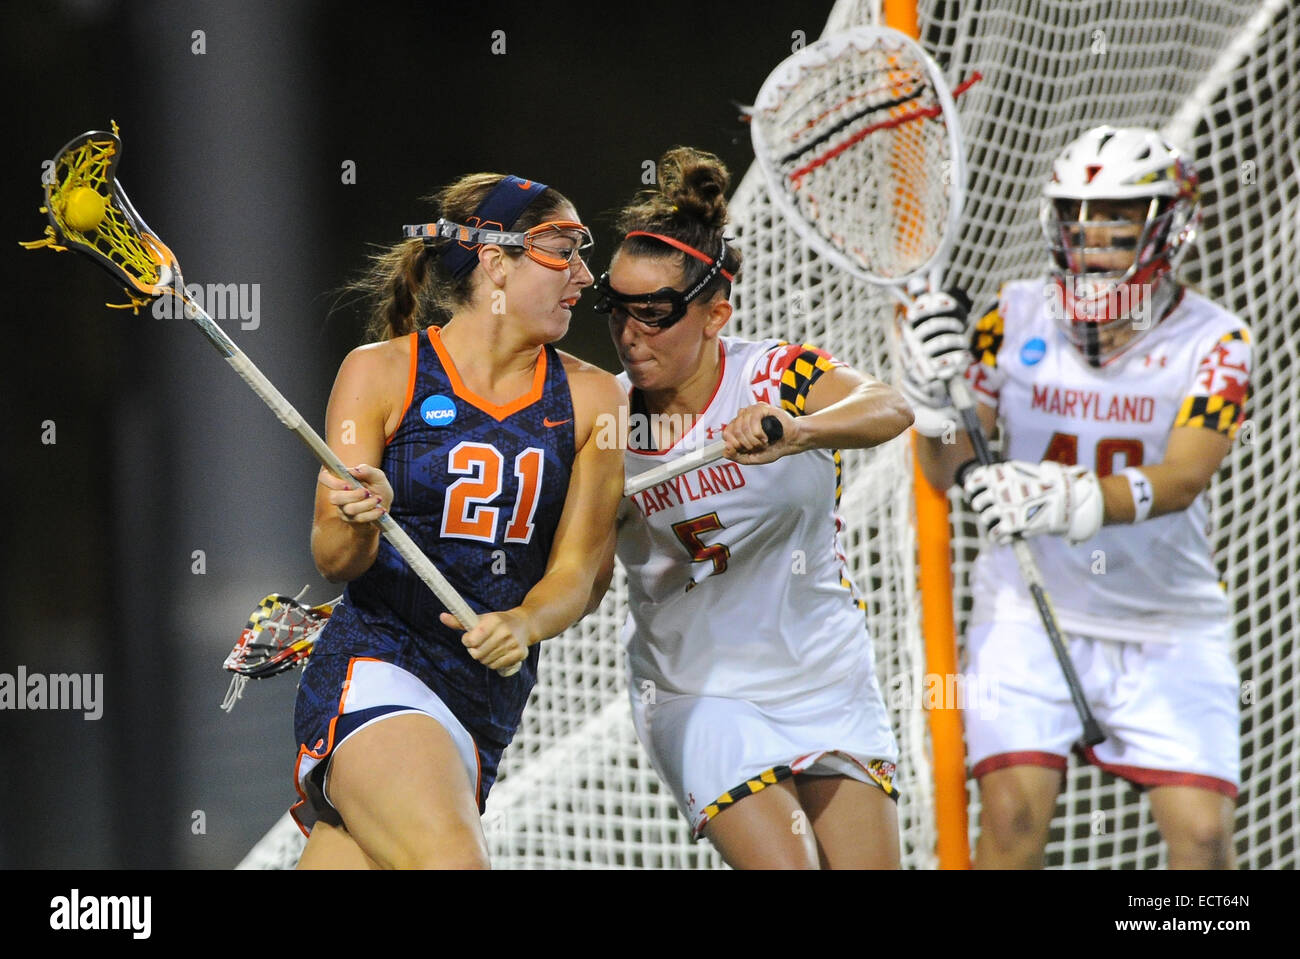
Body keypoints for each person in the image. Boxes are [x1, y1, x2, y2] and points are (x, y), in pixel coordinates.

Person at [905, 126, 1250, 869]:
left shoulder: (1218, 340)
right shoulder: (1012, 316)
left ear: (1166, 225)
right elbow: (946, 468)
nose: (1091, 237)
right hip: (1030, 612)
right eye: (1077, 215)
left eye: (1116, 218)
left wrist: (1070, 501)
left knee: (1205, 841)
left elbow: (1186, 475)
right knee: (1011, 820)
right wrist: (930, 404)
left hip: (1168, 624)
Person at [290, 173, 626, 869]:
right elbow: (332, 556)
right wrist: (361, 518)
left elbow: (581, 575)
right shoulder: (381, 373)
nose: (585, 274)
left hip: (483, 707)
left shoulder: (594, 400)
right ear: (494, 261)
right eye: (562, 250)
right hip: (380, 666)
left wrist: (528, 622)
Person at [595, 147, 915, 869]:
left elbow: (888, 406)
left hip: (827, 679)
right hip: (698, 692)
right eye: (616, 308)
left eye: (655, 312)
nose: (630, 331)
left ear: (715, 315)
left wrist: (797, 429)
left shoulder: (775, 374)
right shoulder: (603, 419)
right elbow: (580, 577)